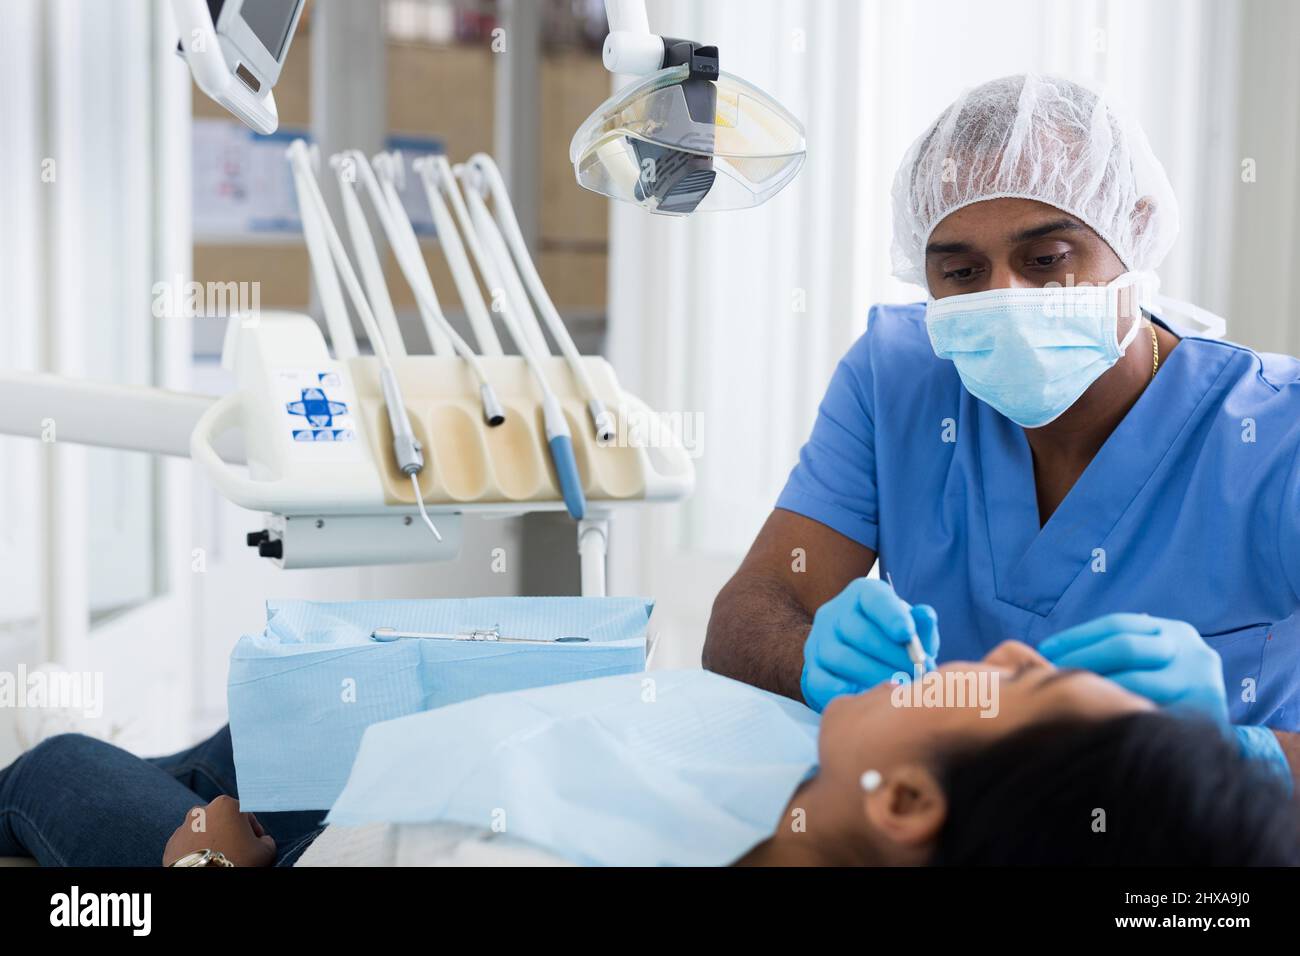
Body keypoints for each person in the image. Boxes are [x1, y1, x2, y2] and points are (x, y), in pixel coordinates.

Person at [702, 73, 1300, 786]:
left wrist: (1235, 757)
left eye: (1046, 261)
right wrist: (809, 659)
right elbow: (748, 614)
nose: (1005, 299)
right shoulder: (897, 381)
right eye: (961, 271)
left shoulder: (1274, 435)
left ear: (1134, 232)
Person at [0, 642, 1294, 866]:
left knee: (55, 770)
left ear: (903, 803)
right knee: (245, 726)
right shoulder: (826, 790)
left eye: (1020, 684)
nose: (1005, 648)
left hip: (329, 845)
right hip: (402, 772)